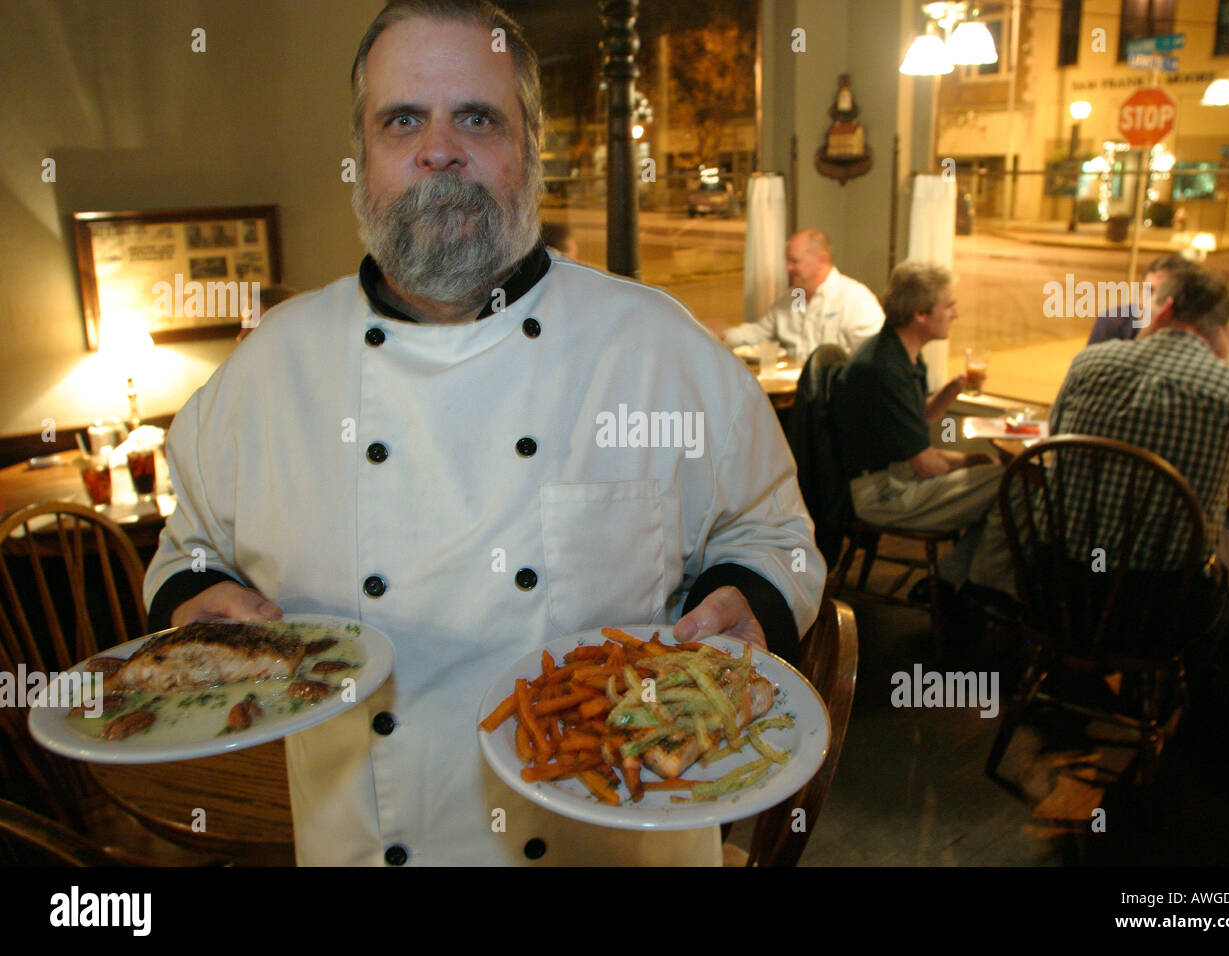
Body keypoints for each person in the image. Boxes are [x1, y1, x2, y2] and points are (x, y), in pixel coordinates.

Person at [143, 0, 823, 867]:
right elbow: (187, 552)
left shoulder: (659, 349)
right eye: (401, 121)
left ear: (532, 149)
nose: (439, 149)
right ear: (361, 156)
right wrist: (192, 602)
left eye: (476, 116)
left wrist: (750, 599)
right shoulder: (268, 372)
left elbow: (775, 535)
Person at [1051, 265, 1229, 584]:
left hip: (1062, 571)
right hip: (1164, 590)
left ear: (1165, 309)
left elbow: (1058, 430)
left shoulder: (1088, 364)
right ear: (1223, 327)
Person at [830, 260, 1013, 600]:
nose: (956, 313)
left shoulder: (902, 353)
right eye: (949, 305)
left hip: (896, 477)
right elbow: (925, 465)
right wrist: (966, 463)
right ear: (920, 314)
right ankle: (981, 589)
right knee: (1011, 484)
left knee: (1000, 479)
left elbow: (914, 421)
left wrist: (953, 389)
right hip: (880, 493)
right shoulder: (882, 367)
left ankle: (950, 579)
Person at [722, 229, 884, 361]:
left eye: (794, 261)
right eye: (787, 261)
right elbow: (758, 333)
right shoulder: (793, 299)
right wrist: (723, 334)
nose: (788, 268)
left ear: (822, 260)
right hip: (790, 393)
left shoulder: (853, 299)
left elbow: (878, 353)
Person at [1085, 253, 1195, 346]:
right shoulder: (1113, 321)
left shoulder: (1189, 334)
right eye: (1148, 290)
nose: (1150, 301)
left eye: (1162, 295)